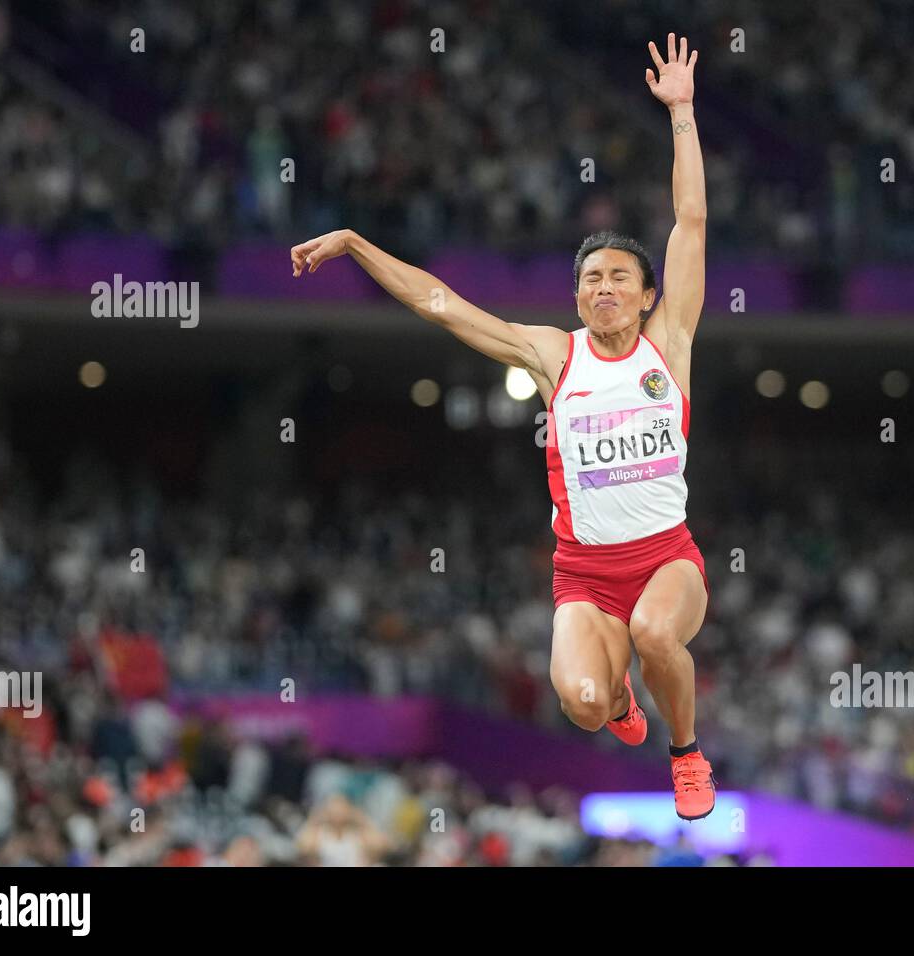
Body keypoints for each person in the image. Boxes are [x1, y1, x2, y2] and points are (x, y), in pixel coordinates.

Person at [289, 34, 714, 820]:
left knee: (659, 634)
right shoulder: (556, 355)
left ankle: (685, 754)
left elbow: (688, 219)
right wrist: (353, 243)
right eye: (591, 280)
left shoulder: (670, 344)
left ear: (649, 295)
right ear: (579, 297)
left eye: (621, 276)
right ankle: (615, 693)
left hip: (665, 560)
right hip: (583, 576)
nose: (605, 289)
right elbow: (442, 305)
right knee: (584, 704)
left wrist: (682, 112)